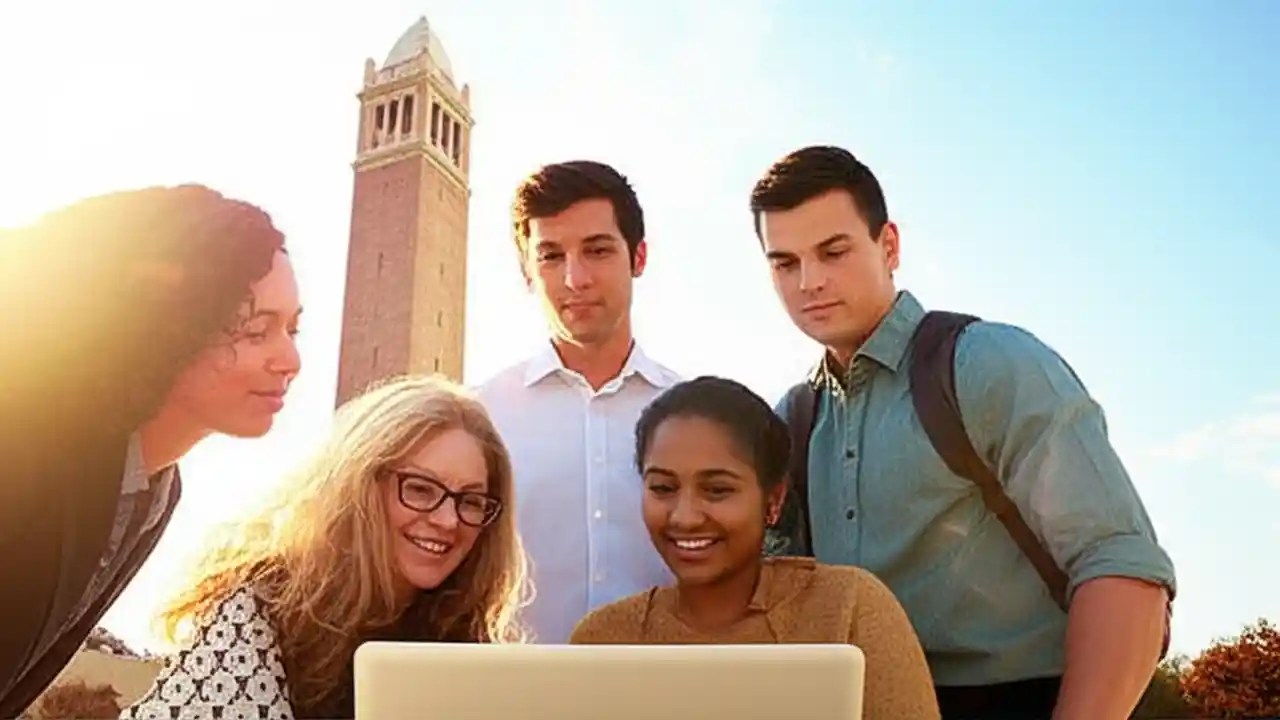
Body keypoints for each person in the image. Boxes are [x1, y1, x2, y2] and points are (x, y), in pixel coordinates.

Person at [749, 145, 1177, 719]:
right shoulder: (792, 420)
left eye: (833, 251)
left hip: (1029, 698)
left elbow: (1120, 565)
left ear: (889, 245)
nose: (810, 282)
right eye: (785, 263)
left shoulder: (987, 363)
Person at [0, 185, 302, 718]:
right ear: (173, 324)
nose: (291, 359)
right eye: (259, 330)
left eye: (294, 328)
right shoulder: (30, 448)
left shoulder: (159, 491)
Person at [121, 375, 528, 719]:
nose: (447, 520)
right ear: (359, 488)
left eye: (471, 501)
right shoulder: (259, 614)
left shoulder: (468, 647)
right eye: (420, 490)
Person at [570, 377, 941, 719]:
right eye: (663, 489)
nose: (684, 517)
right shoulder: (605, 638)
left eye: (717, 490)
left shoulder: (848, 609)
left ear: (773, 500)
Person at [477, 160, 681, 644]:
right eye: (550, 255)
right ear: (527, 270)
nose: (575, 278)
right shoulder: (479, 417)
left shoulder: (693, 413)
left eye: (597, 250)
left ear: (639, 257)